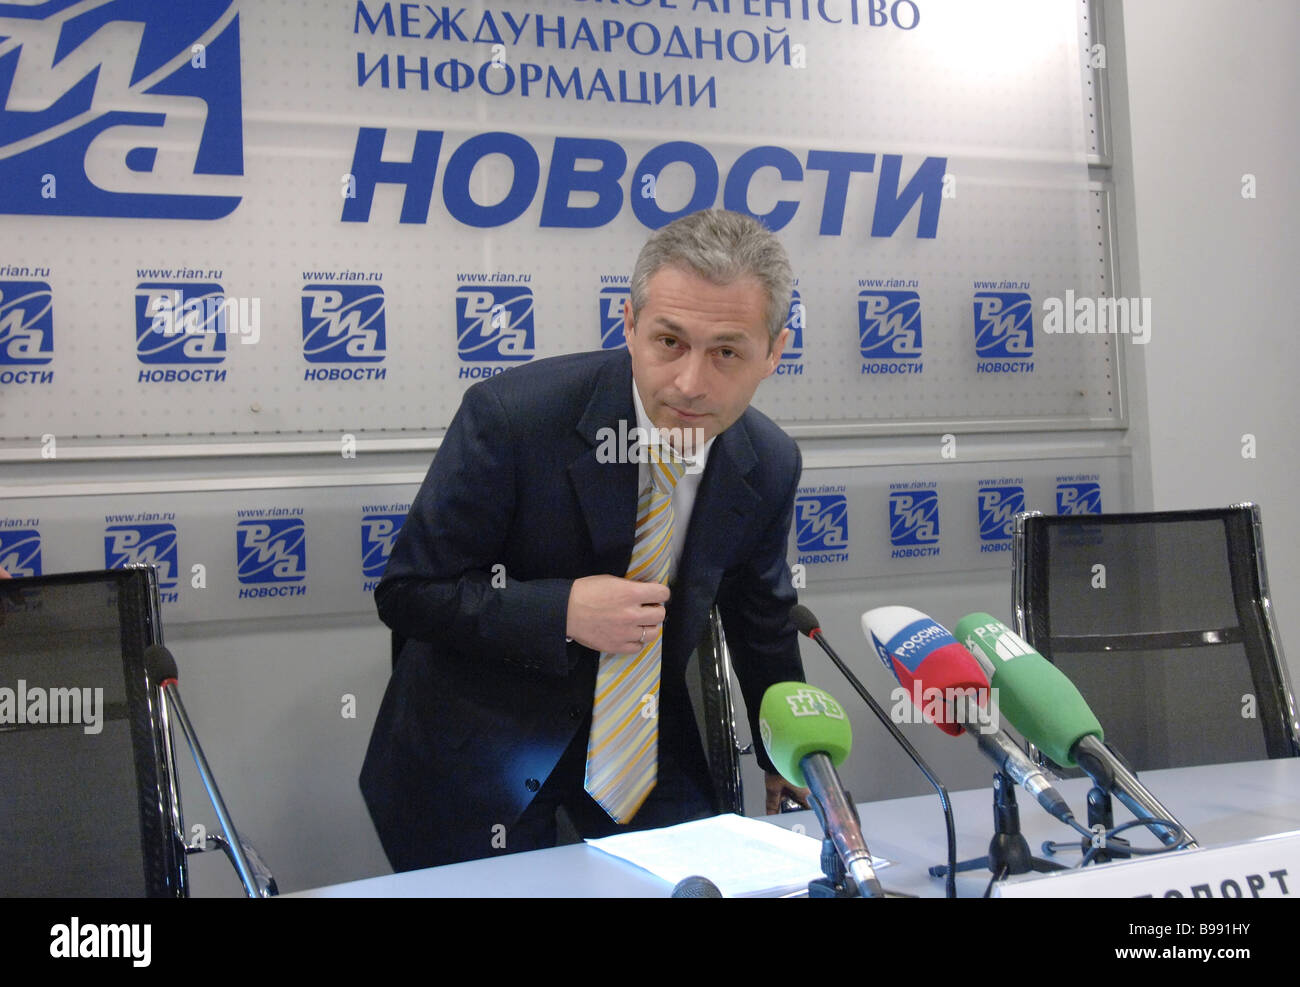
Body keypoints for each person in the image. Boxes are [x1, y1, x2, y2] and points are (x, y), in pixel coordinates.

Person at [360, 209, 808, 872]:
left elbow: (760, 618)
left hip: (642, 739)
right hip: (482, 740)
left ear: (774, 351)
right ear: (629, 324)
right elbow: (409, 592)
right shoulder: (515, 417)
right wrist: (562, 610)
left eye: (727, 352)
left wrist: (784, 755)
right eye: (669, 341)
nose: (690, 383)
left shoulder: (768, 461)